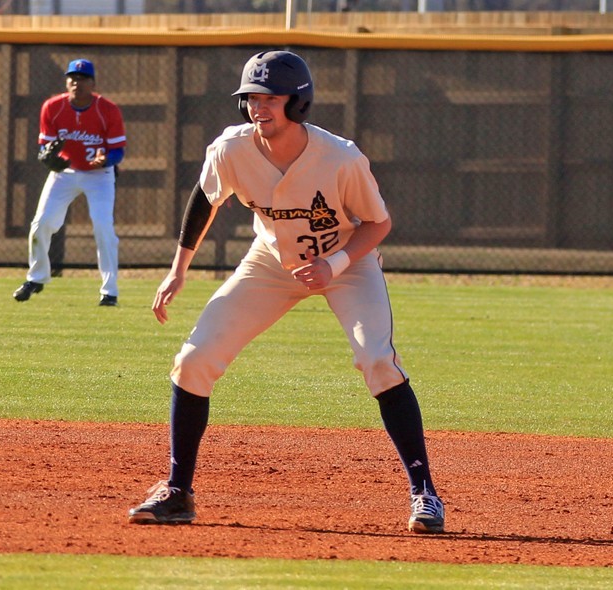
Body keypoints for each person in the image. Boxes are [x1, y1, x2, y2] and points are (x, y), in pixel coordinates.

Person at [127, 50, 445, 534]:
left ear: (298, 103)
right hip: (272, 260)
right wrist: (178, 270)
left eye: (271, 98)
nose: (259, 107)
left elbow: (379, 222)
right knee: (195, 358)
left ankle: (425, 494)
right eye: (251, 98)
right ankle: (177, 490)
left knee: (377, 360)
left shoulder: (339, 157)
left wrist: (335, 263)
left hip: (347, 262)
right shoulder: (231, 149)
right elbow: (205, 199)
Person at [13, 58, 126, 306]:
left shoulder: (107, 109)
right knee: (41, 223)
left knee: (102, 227)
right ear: (67, 82)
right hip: (65, 173)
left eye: (83, 78)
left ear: (93, 83)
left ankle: (110, 291)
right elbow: (45, 146)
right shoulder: (53, 107)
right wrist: (48, 157)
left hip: (100, 176)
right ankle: (37, 278)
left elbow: (118, 151)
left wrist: (106, 158)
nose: (77, 82)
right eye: (73, 78)